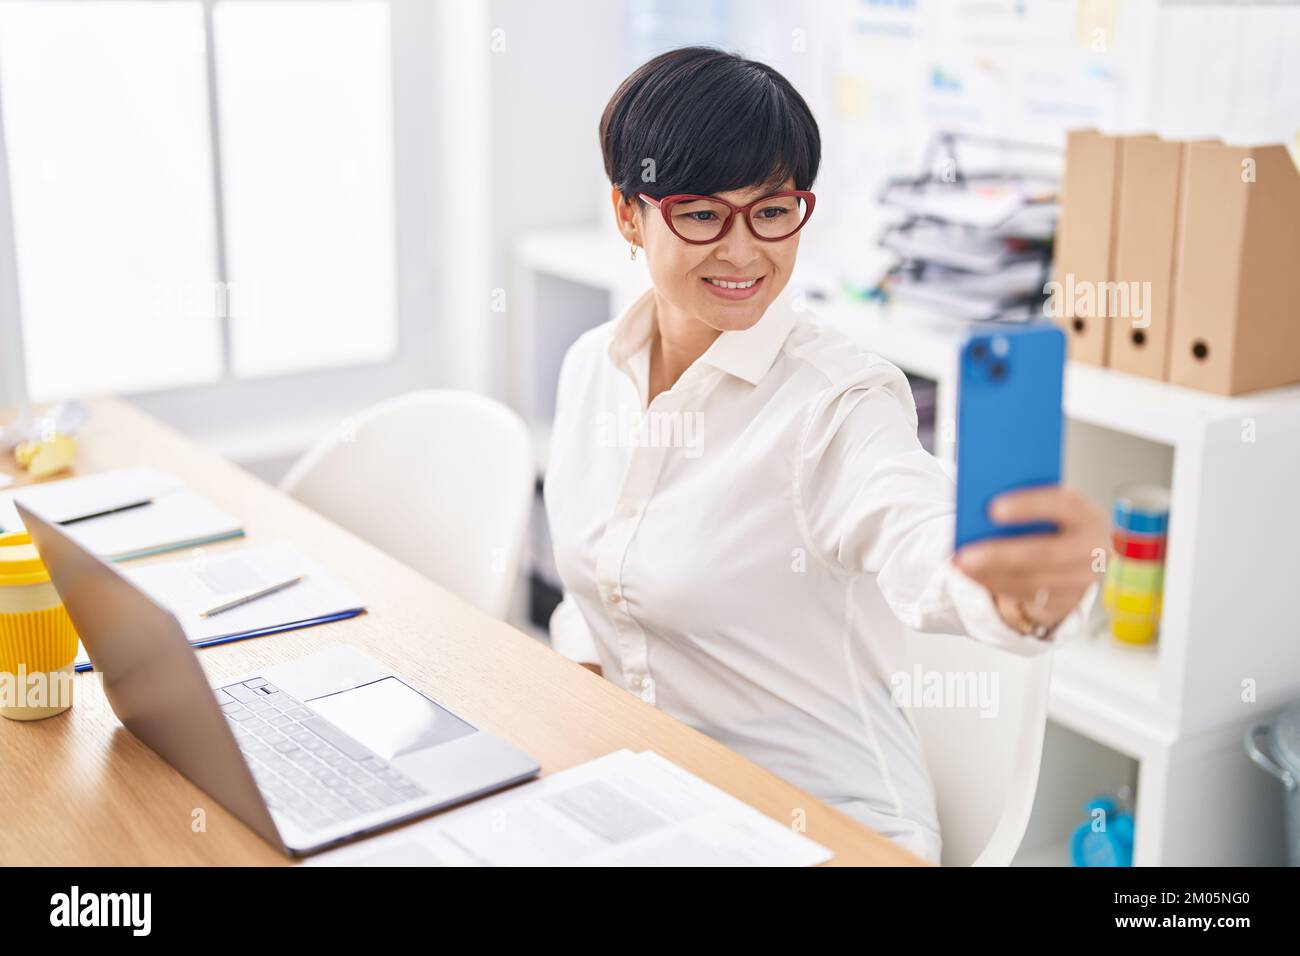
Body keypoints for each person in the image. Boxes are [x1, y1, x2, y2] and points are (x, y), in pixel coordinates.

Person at [543, 46, 1105, 863]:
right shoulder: (591, 367)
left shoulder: (838, 401)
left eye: (772, 211)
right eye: (702, 214)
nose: (744, 251)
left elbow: (916, 529)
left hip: (825, 823)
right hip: (656, 796)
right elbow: (594, 596)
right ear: (630, 213)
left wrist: (1021, 589)